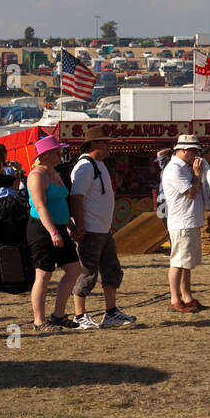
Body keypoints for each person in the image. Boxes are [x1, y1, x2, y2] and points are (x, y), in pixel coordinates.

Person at [69, 131, 136, 329]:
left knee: (111, 270)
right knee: (87, 272)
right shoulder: (84, 167)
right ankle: (79, 315)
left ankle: (111, 312)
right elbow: (76, 197)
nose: (109, 146)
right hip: (90, 229)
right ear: (94, 143)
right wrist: (80, 226)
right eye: (105, 142)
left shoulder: (99, 165)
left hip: (102, 229)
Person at [26, 134, 82, 335]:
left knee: (74, 269)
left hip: (59, 226)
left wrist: (69, 224)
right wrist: (52, 232)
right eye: (58, 152)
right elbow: (40, 206)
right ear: (47, 154)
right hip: (42, 229)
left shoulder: (56, 173)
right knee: (43, 273)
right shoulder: (36, 175)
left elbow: (59, 203)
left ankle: (58, 314)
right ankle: (39, 321)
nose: (61, 155)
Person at [161, 135, 207, 313]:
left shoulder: (183, 167)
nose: (196, 155)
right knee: (178, 262)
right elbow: (190, 193)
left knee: (186, 262)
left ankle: (187, 297)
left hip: (189, 220)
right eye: (194, 151)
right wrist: (196, 175)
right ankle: (174, 299)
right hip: (182, 221)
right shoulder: (175, 169)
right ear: (184, 150)